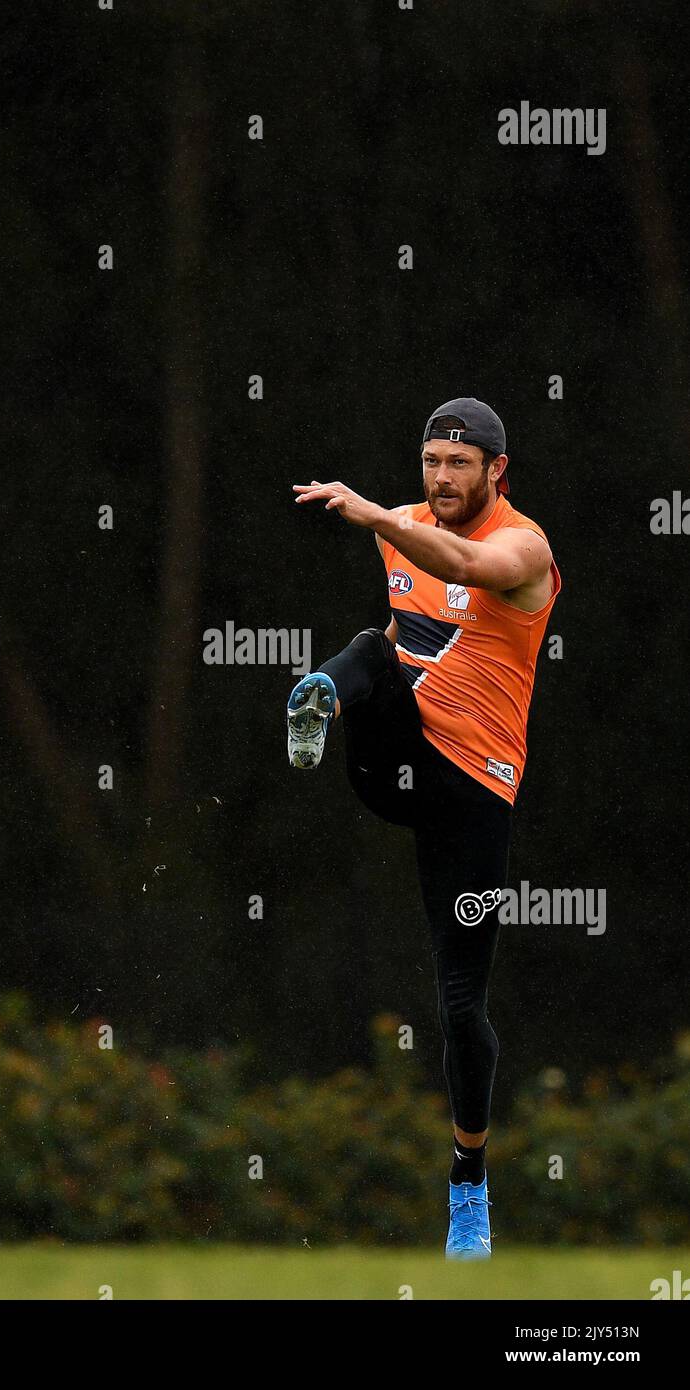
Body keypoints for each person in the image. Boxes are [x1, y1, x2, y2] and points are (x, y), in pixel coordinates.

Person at [287, 398, 561, 1259]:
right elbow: (419, 567)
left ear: (495, 472)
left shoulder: (525, 547)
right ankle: (318, 697)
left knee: (461, 1011)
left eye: (458, 464)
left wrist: (375, 514)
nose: (440, 478)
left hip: (474, 793)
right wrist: (383, 519)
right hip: (395, 762)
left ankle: (469, 1189)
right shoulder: (400, 525)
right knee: (371, 649)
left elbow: (468, 564)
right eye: (430, 461)